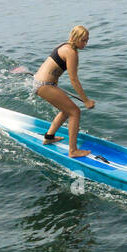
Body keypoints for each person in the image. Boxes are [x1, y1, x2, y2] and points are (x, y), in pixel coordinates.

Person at [32, 26, 94, 158]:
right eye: (83, 40)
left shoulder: (64, 45)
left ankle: (49, 137)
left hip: (42, 82)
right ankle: (73, 151)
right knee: (75, 112)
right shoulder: (71, 52)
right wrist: (86, 101)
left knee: (67, 110)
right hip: (45, 85)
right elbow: (74, 79)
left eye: (87, 40)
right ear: (75, 38)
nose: (85, 44)